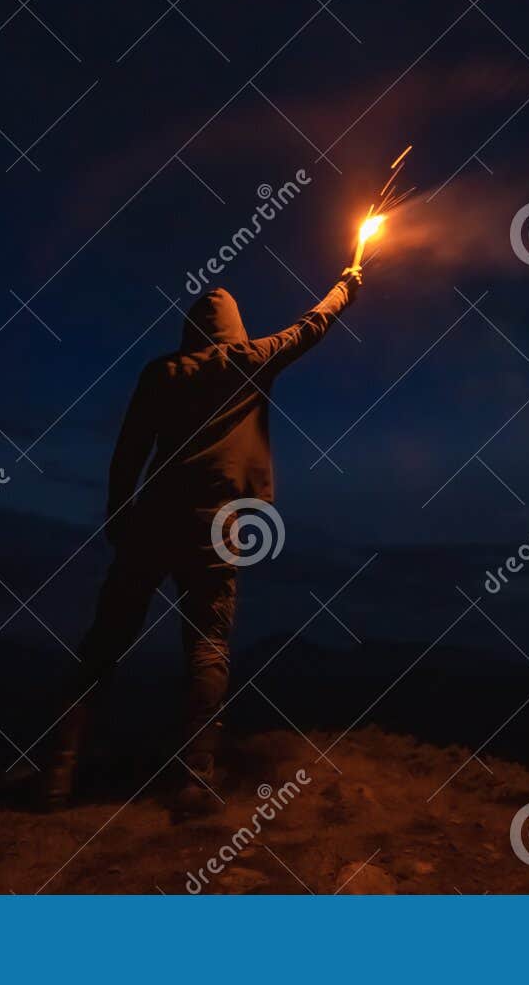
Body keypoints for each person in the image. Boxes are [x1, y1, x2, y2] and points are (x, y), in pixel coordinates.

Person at [40, 267, 363, 812]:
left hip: (152, 522)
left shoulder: (161, 373)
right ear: (235, 326)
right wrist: (345, 288)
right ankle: (196, 778)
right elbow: (313, 325)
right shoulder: (254, 359)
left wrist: (118, 516)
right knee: (208, 648)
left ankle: (57, 775)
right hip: (217, 528)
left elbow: (129, 451)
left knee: (104, 645)